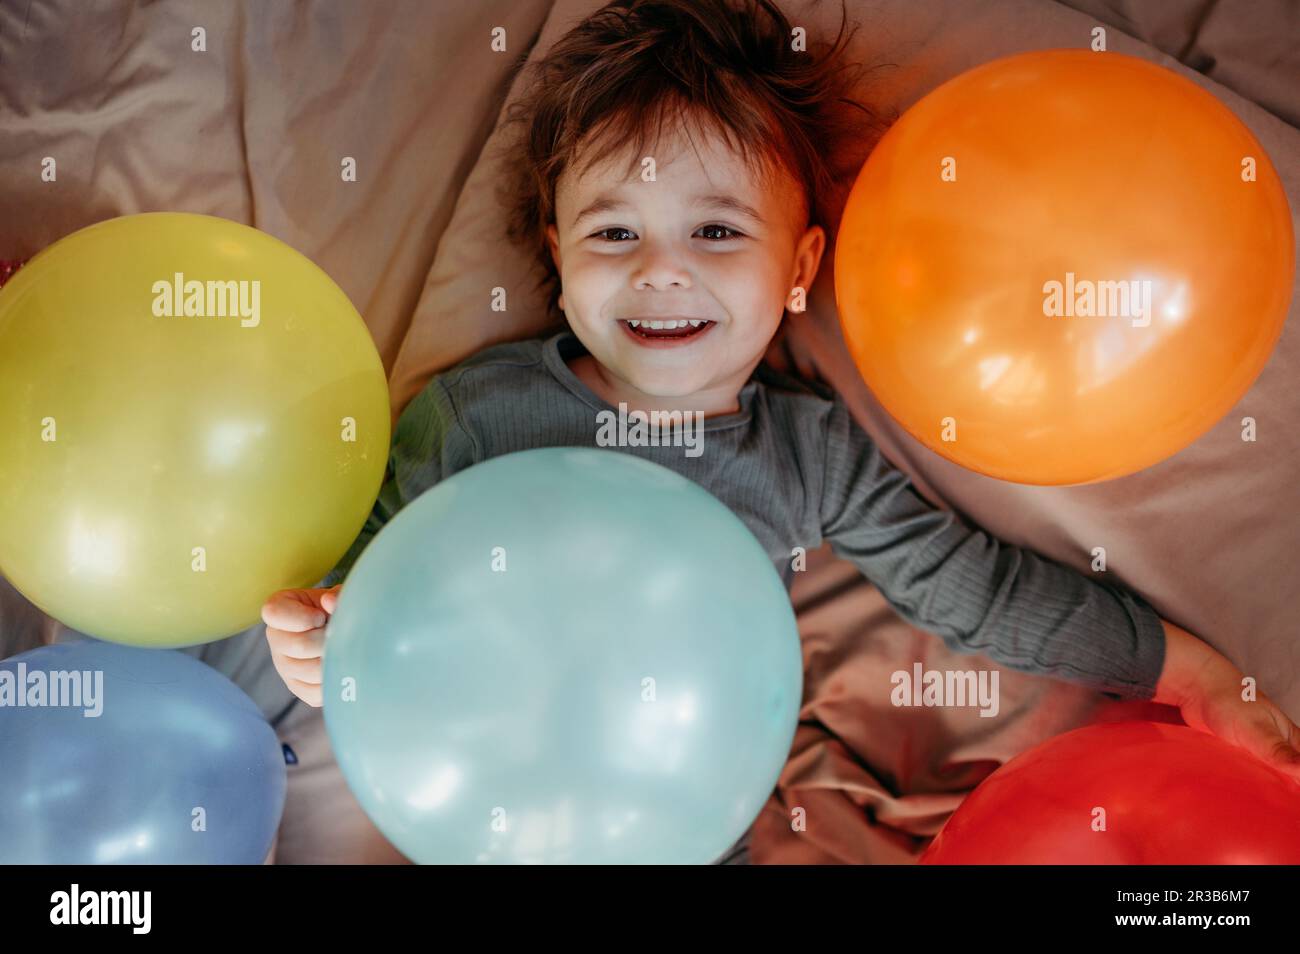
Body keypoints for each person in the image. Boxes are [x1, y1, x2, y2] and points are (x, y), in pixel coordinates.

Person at [262, 0, 1300, 862]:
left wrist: (1179, 670)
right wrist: (323, 633)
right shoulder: (479, 414)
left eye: (716, 231)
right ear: (557, 255)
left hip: (682, 819)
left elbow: (973, 589)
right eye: (612, 231)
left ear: (800, 270)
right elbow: (370, 567)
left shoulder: (807, 458)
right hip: (480, 804)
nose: (659, 268)